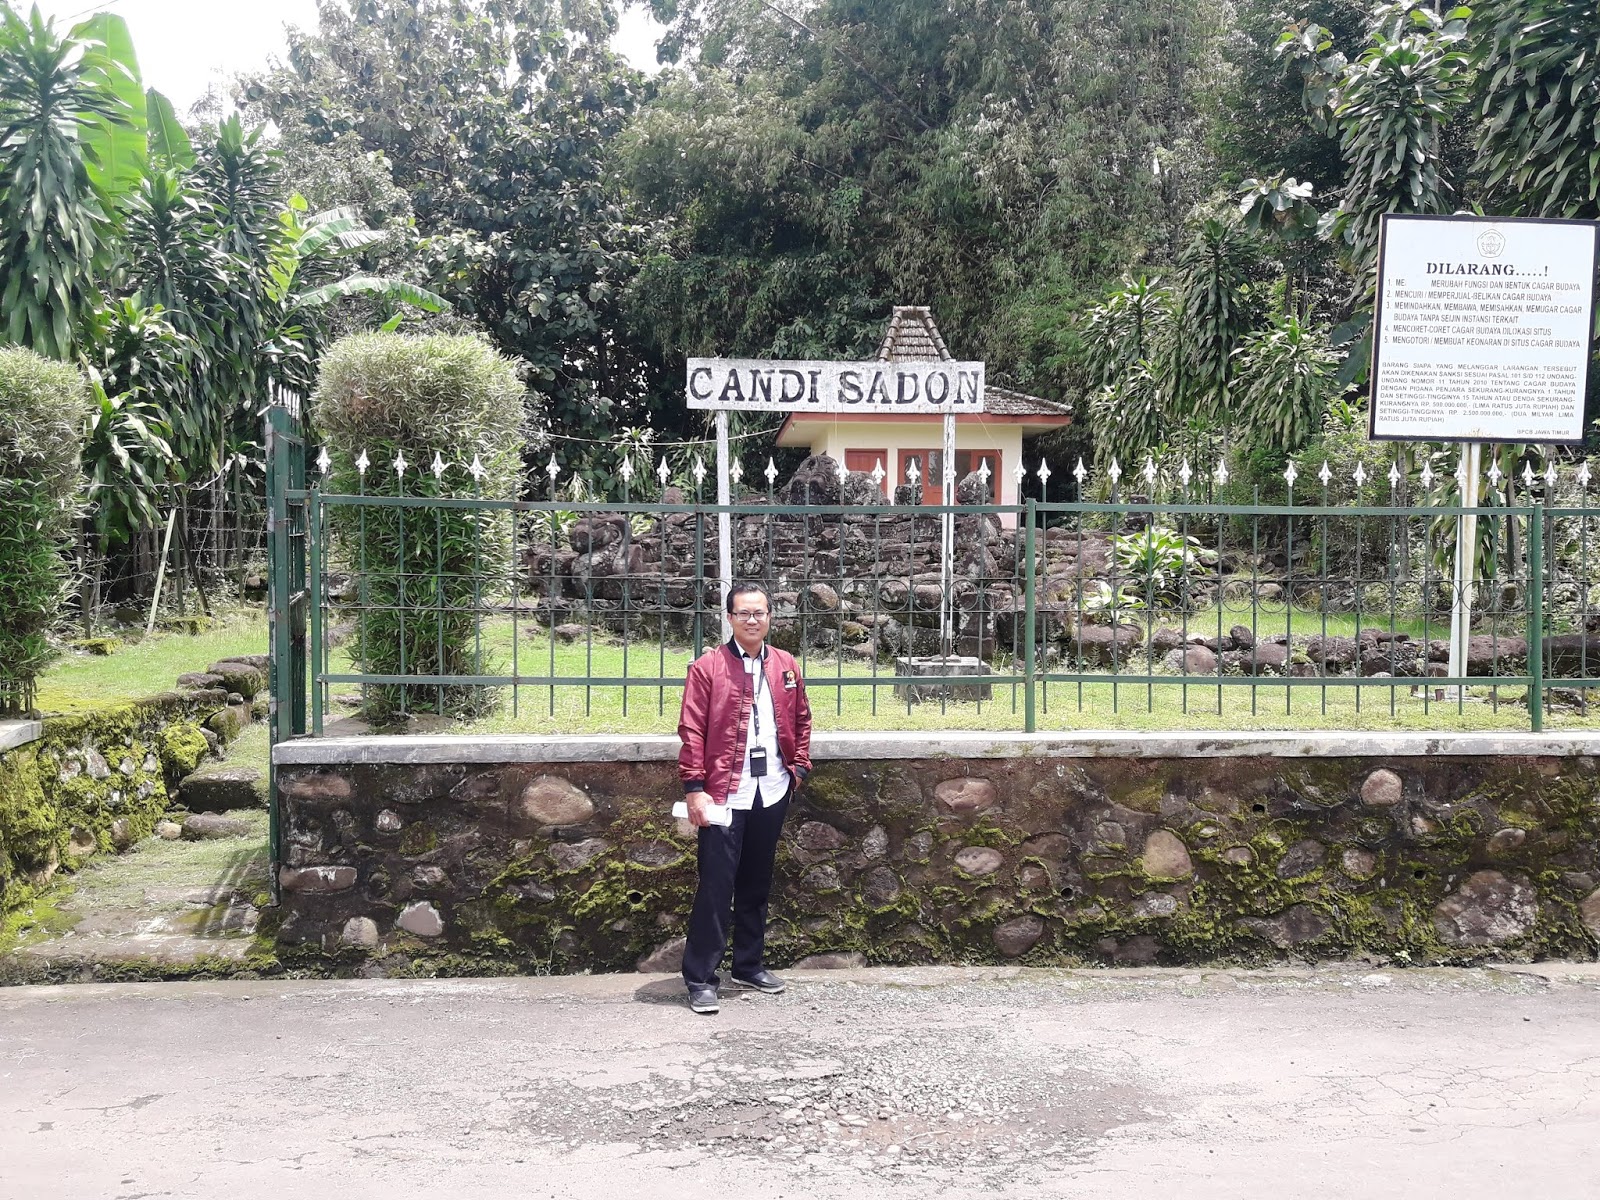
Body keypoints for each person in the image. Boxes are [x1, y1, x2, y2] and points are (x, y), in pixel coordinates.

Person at [676, 581, 812, 1015]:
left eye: (760, 613)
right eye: (743, 613)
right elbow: (692, 730)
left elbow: (803, 719)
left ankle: (748, 965)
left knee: (757, 881)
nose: (752, 620)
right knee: (716, 885)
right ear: (730, 619)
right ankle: (700, 977)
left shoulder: (786, 665)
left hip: (771, 788)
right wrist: (694, 788)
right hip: (722, 793)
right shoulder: (708, 667)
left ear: (770, 616)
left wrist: (799, 769)